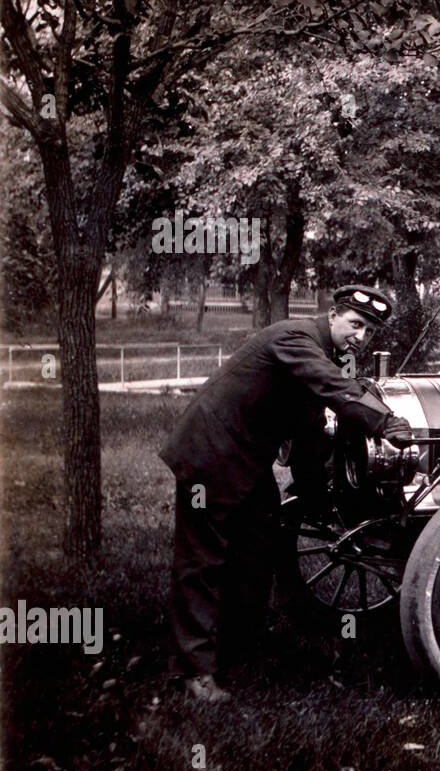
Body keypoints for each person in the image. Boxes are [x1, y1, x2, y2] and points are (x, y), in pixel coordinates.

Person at [159, 285, 415, 702]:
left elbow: (308, 433)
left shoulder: (322, 353)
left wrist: (319, 499)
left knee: (260, 544)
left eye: (368, 331)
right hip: (209, 454)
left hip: (244, 458)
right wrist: (385, 420)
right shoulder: (296, 338)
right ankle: (193, 671)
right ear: (332, 315)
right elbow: (332, 385)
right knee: (201, 561)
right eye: (355, 324)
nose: (360, 336)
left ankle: (240, 649)